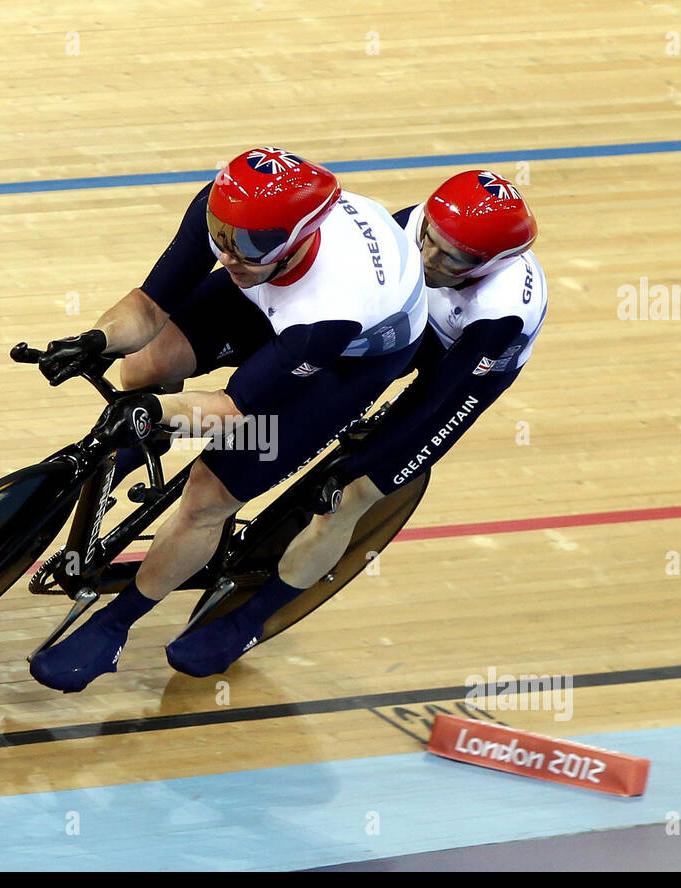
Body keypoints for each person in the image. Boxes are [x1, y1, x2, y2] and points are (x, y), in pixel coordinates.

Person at [27, 146, 428, 692]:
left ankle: (114, 625)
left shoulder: (330, 306)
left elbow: (231, 410)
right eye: (222, 236)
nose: (230, 252)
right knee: (144, 365)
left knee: (208, 496)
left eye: (249, 243)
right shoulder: (234, 213)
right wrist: (94, 340)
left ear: (302, 236)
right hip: (273, 292)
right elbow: (148, 307)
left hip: (344, 360)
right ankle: (132, 449)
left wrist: (157, 414)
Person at [165, 169, 546, 676]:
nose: (430, 257)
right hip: (396, 324)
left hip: (460, 362)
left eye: (452, 258)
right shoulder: (422, 225)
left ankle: (253, 620)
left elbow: (434, 399)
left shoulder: (500, 311)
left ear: (491, 264)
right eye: (429, 238)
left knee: (354, 494)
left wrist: (356, 467)